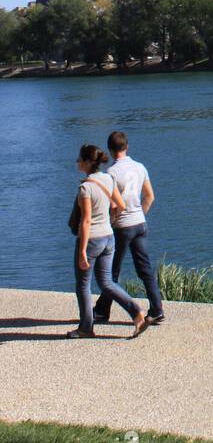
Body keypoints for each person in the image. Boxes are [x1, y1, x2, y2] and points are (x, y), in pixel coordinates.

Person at [68, 145, 145, 339]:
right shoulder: (108, 179)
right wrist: (109, 218)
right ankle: (136, 311)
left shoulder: (85, 187)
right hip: (108, 238)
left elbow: (85, 221)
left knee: (83, 286)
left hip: (92, 239)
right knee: (106, 282)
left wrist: (83, 250)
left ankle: (86, 328)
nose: (77, 162)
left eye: (79, 159)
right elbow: (120, 205)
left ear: (87, 163)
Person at [93, 131, 165, 327]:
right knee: (145, 269)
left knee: (111, 270)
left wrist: (112, 222)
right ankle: (157, 310)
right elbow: (150, 196)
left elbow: (114, 205)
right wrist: (139, 215)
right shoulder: (140, 167)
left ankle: (101, 311)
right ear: (127, 147)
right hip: (140, 223)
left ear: (110, 149)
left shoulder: (111, 173)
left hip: (122, 227)